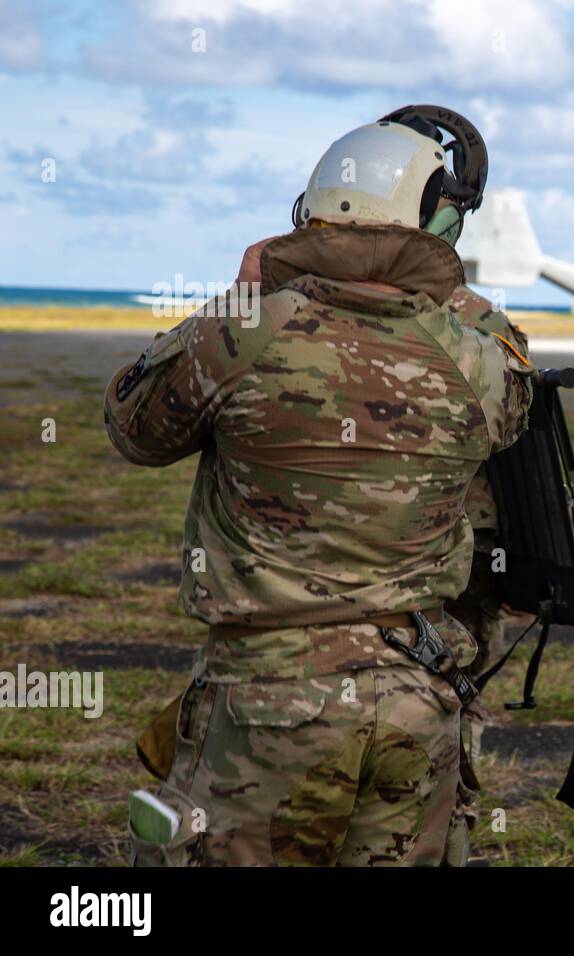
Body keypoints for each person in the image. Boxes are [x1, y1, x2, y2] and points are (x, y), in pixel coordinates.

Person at [107, 105, 532, 866]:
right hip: (417, 698)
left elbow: (132, 425)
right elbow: (516, 380)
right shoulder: (475, 363)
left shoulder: (243, 333)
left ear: (312, 214)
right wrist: (439, 286)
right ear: (431, 225)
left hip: (269, 702)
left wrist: (242, 292)